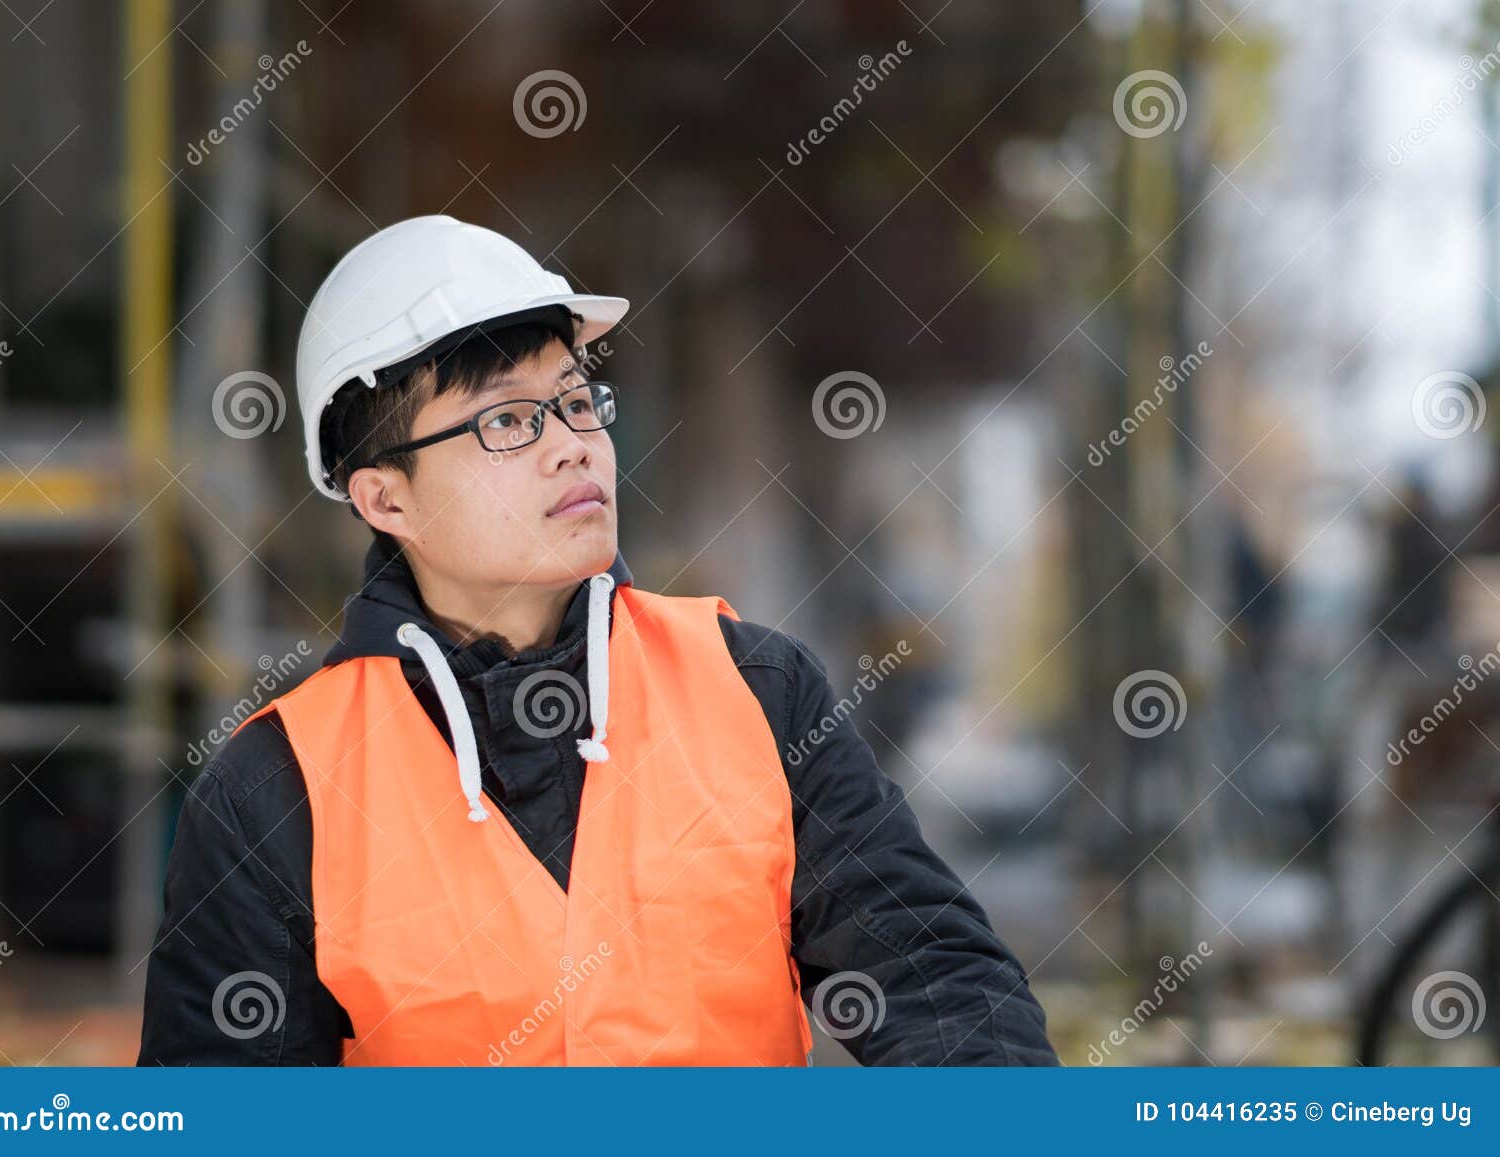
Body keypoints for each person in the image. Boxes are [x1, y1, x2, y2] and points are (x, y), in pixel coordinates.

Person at [137, 215, 1057, 1066]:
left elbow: (941, 983)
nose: (572, 444)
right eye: (506, 420)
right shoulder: (281, 787)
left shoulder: (758, 692)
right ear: (386, 498)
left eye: (577, 402)